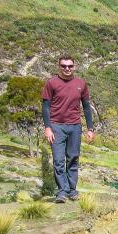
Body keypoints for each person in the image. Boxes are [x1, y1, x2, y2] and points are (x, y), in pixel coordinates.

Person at [41, 55, 95, 203]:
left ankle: (72, 190)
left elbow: (86, 107)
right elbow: (45, 107)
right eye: (64, 66)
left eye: (70, 66)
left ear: (74, 67)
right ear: (59, 66)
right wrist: (48, 128)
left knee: (73, 158)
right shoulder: (51, 83)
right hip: (56, 127)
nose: (67, 68)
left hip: (75, 127)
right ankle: (62, 191)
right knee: (58, 160)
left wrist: (90, 128)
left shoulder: (81, 84)